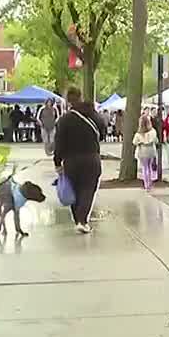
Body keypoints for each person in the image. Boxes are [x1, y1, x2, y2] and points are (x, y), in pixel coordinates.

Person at [53, 87, 106, 234]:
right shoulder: (93, 114)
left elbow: (59, 143)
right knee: (88, 189)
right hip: (91, 157)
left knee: (74, 190)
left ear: (67, 100)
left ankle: (78, 219)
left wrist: (57, 162)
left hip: (71, 160)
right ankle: (82, 220)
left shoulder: (64, 120)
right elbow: (103, 130)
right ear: (81, 97)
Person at [133, 113, 159, 191]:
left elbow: (134, 142)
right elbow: (156, 140)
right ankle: (150, 183)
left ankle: (146, 184)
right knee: (150, 166)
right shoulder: (153, 131)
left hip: (142, 150)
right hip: (151, 150)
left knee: (144, 168)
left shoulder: (138, 133)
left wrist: (140, 142)